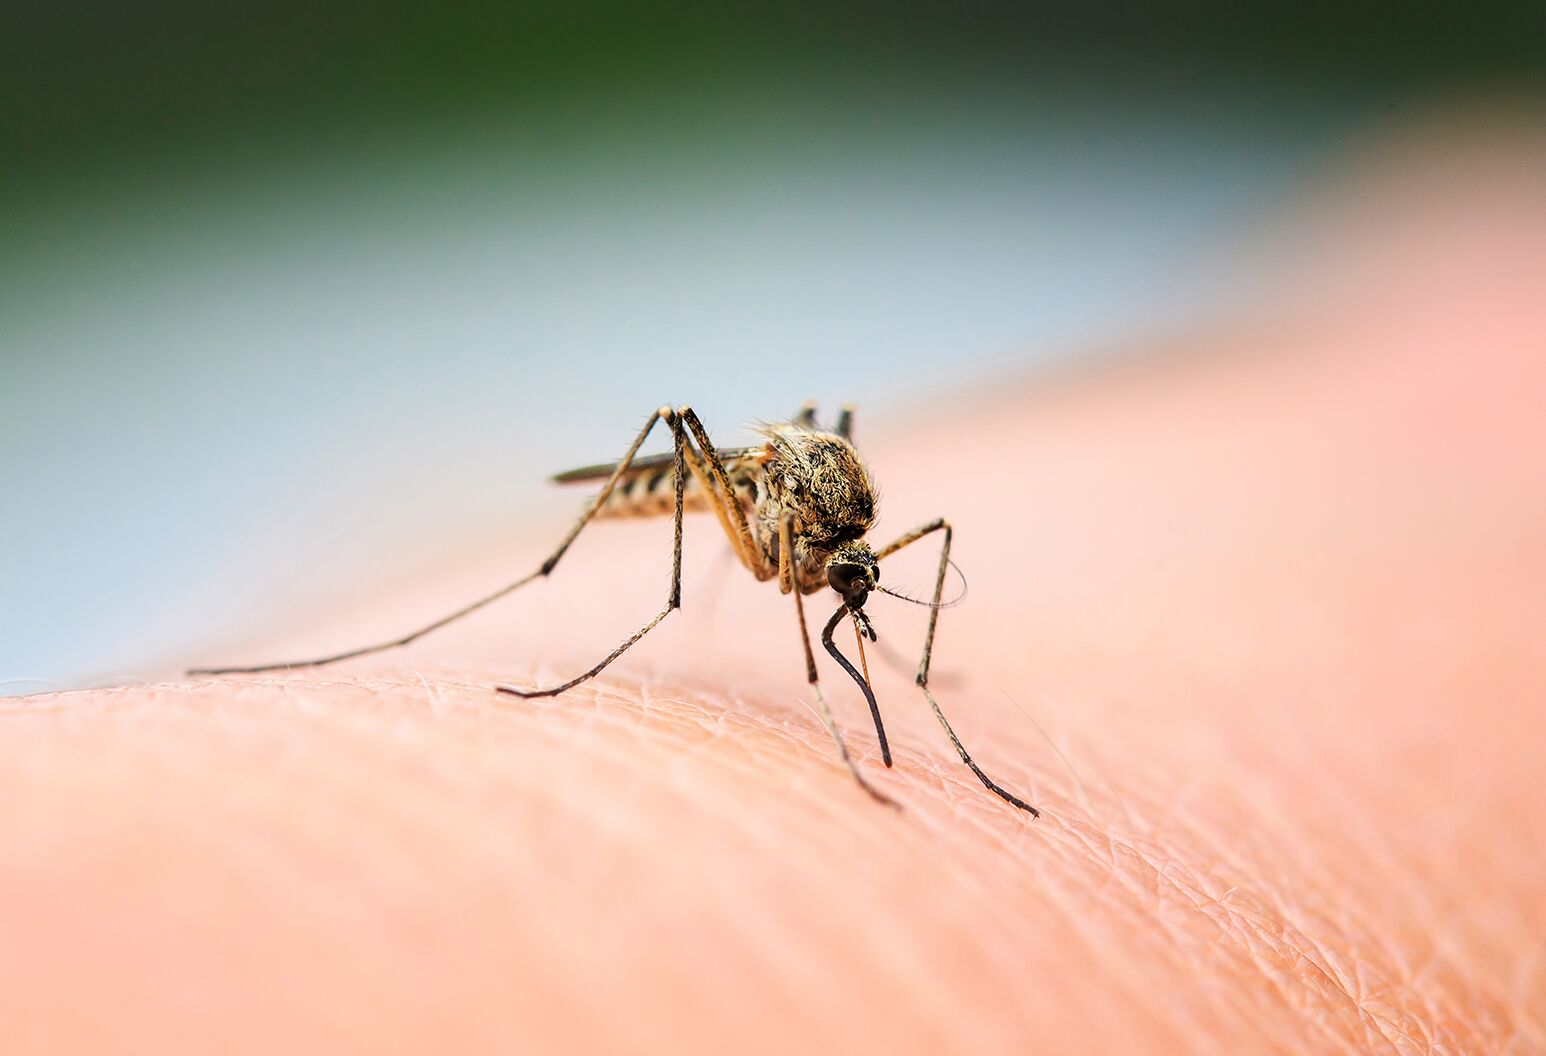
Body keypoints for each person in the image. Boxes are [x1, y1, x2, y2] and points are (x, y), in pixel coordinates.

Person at [4, 120, 1542, 1054]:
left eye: (853, 588)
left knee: (872, 504)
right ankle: (511, 617)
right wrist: (744, 587)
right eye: (849, 590)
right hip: (717, 490)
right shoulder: (782, 524)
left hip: (800, 483)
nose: (859, 592)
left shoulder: (880, 537)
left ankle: (893, 692)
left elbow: (869, 528)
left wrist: (917, 662)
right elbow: (773, 483)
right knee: (695, 455)